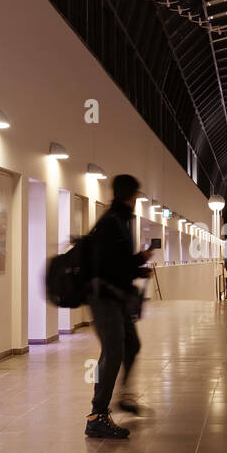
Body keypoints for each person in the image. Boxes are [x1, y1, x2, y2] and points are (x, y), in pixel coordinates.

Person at [84, 174, 155, 439]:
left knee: (132, 345)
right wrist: (137, 265)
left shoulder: (119, 220)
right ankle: (97, 415)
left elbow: (119, 262)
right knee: (113, 351)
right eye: (136, 195)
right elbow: (108, 266)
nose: (137, 200)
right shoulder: (111, 223)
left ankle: (123, 396)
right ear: (128, 195)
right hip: (104, 298)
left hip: (116, 297)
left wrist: (139, 263)